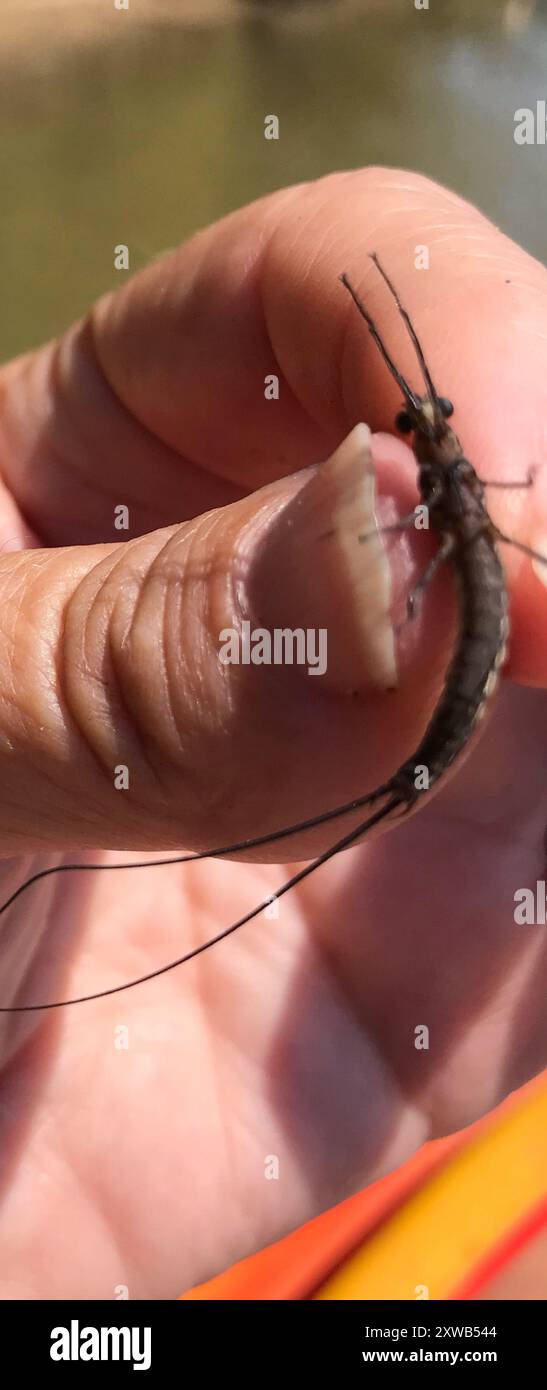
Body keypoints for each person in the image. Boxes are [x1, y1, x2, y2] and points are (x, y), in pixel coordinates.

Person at [0, 167, 546, 1299]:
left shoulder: (448, 492)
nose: (426, 427)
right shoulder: (437, 491)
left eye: (427, 425)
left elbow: (468, 557)